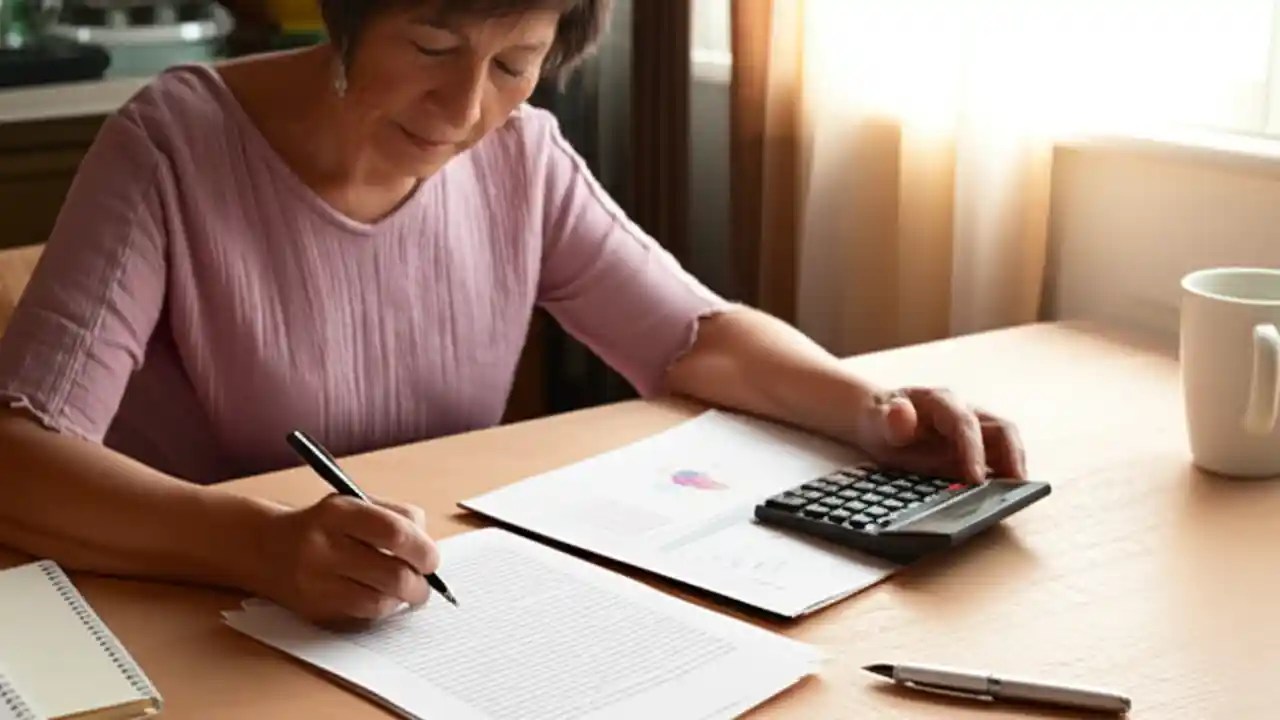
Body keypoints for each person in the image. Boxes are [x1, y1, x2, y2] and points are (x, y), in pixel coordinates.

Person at [0, 0, 1026, 626]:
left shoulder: (519, 156)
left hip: (416, 618)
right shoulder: (175, 144)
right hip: (197, 623)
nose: (462, 113)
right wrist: (260, 546)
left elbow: (693, 335)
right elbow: (18, 459)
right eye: (432, 43)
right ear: (347, 13)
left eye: (511, 62)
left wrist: (869, 406)